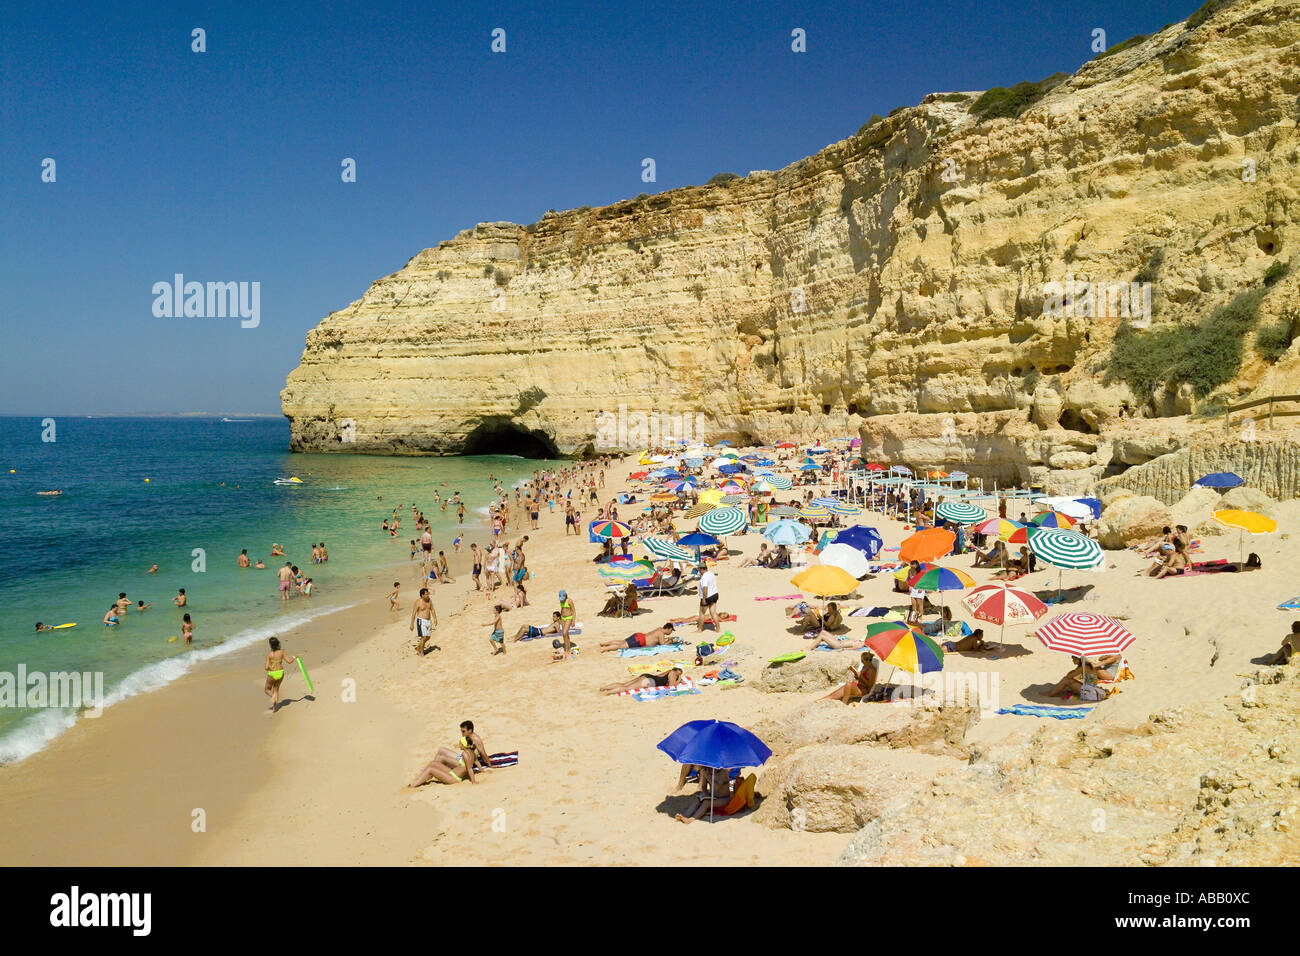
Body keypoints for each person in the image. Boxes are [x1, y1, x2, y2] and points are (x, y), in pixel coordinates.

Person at [264, 636, 299, 713]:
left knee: (267, 689)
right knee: (276, 690)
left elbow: (266, 668)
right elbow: (289, 661)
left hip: (272, 674)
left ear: (270, 645)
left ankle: (273, 697)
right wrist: (294, 657)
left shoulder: (269, 654)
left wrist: (271, 667)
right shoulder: (282, 652)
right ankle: (275, 708)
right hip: (281, 673)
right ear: (278, 644)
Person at [599, 667, 685, 695]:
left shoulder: (669, 671)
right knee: (626, 688)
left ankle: (604, 688)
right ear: (677, 670)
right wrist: (679, 679)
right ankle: (607, 693)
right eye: (679, 673)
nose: (679, 675)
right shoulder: (673, 673)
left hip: (647, 676)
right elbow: (672, 686)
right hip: (650, 681)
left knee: (624, 684)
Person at [599, 622, 676, 652]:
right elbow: (663, 644)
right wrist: (671, 641)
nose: (671, 632)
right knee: (622, 646)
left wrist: (667, 639)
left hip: (639, 635)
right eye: (671, 630)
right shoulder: (661, 633)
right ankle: (604, 648)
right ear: (668, 628)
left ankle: (604, 643)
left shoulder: (659, 629)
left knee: (622, 642)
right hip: (641, 640)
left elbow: (656, 639)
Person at [410, 587, 438, 657]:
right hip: (421, 621)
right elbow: (414, 613)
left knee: (428, 637)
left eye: (428, 594)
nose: (428, 595)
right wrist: (412, 624)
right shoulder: (418, 602)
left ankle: (418, 647)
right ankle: (421, 653)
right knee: (424, 637)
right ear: (422, 595)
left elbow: (432, 610)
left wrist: (435, 619)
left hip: (428, 621)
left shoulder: (429, 600)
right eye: (426, 594)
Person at [696, 563, 720, 631]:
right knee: (713, 613)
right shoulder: (711, 574)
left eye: (699, 569)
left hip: (708, 596)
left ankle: (699, 629)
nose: (699, 571)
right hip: (715, 595)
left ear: (701, 569)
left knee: (702, 613)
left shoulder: (704, 577)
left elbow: (705, 588)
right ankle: (718, 628)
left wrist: (704, 599)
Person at [558, 590, 577, 658]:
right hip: (563, 618)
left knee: (564, 632)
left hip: (569, 618)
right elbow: (562, 609)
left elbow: (573, 611)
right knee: (565, 634)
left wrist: (573, 621)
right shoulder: (561, 601)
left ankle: (568, 650)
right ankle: (567, 648)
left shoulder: (569, 601)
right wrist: (559, 618)